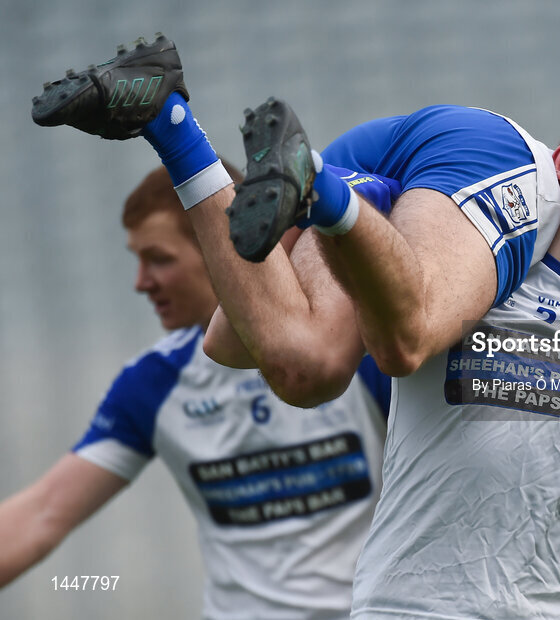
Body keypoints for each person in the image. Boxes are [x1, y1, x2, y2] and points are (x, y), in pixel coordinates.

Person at [32, 36, 560, 618]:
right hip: (477, 163)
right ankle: (323, 192)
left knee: (289, 361)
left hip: (394, 195)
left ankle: (172, 122)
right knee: (409, 332)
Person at [0, 165, 390, 619]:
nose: (140, 282)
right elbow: (43, 513)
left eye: (159, 259)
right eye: (138, 260)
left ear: (220, 246)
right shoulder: (154, 381)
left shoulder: (358, 352)